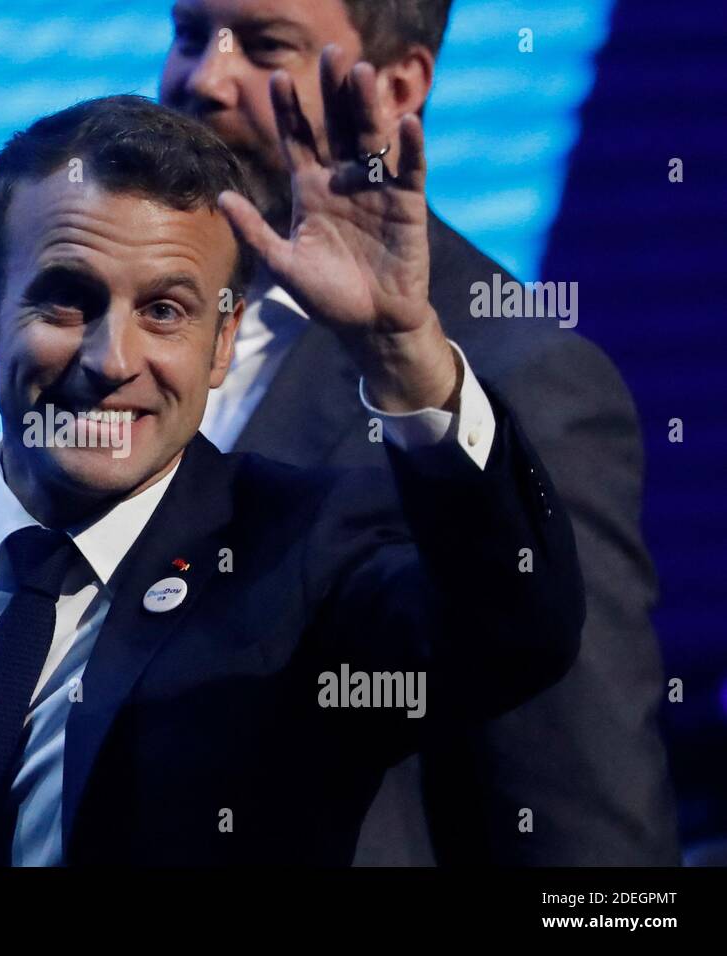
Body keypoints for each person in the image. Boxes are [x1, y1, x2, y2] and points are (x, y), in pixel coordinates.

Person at [0, 89, 583, 866]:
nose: (110, 359)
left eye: (164, 310)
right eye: (67, 299)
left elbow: (515, 632)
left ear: (223, 344)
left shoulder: (304, 556)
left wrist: (402, 353)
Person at [160, 0, 678, 865]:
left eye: (263, 46)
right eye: (188, 35)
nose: (204, 79)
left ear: (398, 84)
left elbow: (588, 825)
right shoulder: (116, 339)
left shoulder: (517, 381)